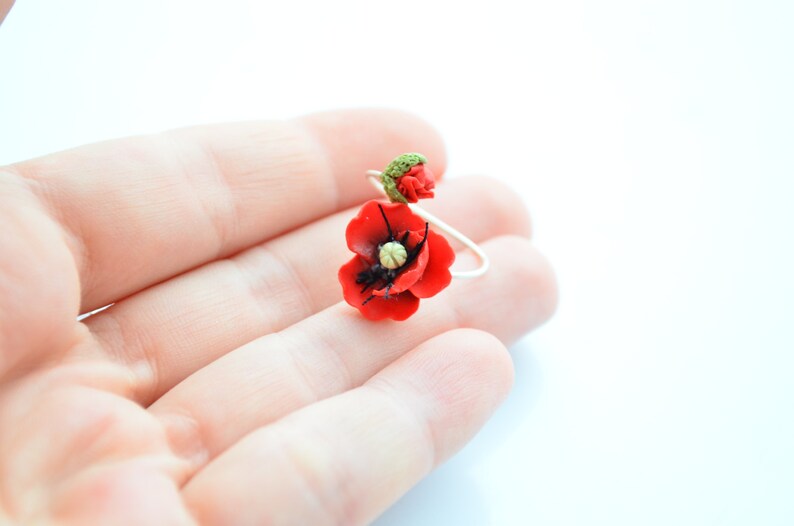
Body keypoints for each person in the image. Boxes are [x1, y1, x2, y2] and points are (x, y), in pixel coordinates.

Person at [0, 6, 556, 526]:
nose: (392, 257)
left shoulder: (415, 258)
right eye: (391, 251)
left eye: (400, 256)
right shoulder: (377, 253)